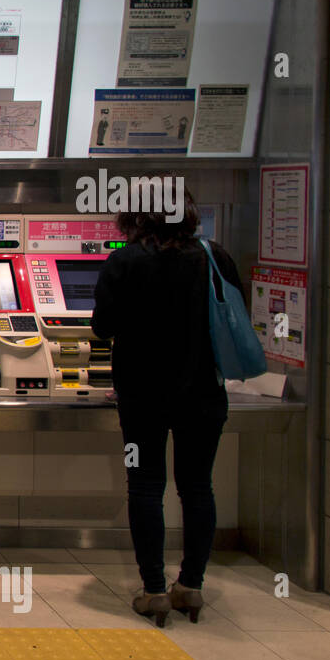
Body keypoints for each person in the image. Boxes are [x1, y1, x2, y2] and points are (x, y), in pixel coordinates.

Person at [92, 190, 241, 626]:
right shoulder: (214, 257)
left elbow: (102, 327)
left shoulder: (125, 262)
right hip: (204, 397)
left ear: (134, 215)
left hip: (142, 399)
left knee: (144, 486)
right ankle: (191, 586)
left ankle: (154, 590)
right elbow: (234, 315)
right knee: (198, 487)